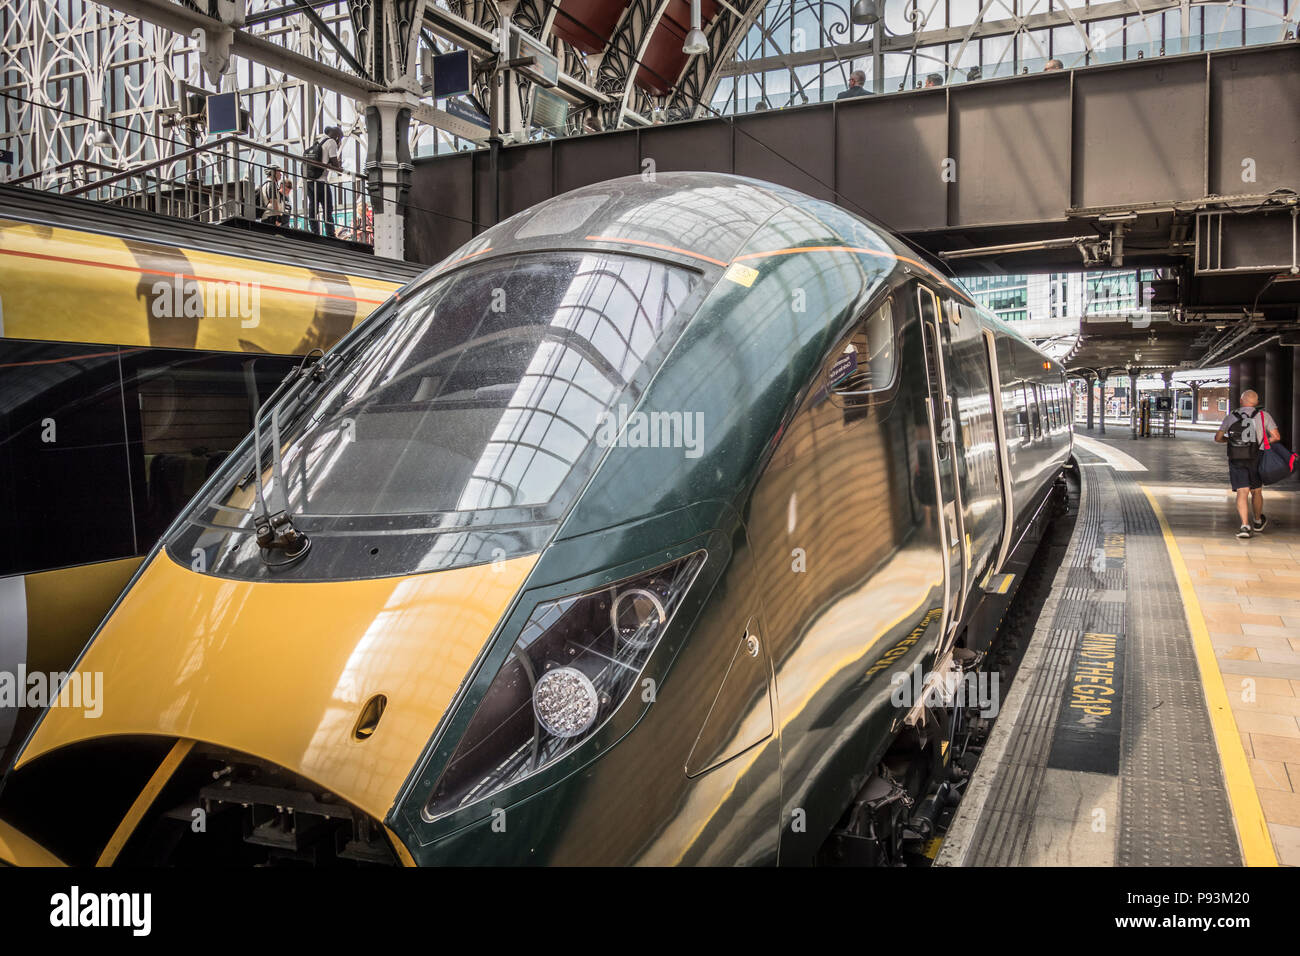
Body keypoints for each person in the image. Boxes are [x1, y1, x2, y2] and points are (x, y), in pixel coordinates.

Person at [1214, 389, 1282, 538]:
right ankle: (1257, 521)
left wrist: (1229, 440)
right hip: (1257, 457)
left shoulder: (1231, 416)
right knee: (1256, 490)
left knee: (1242, 491)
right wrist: (1262, 442)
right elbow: (1276, 436)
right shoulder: (1264, 416)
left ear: (1240, 401)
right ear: (1256, 402)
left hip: (1236, 457)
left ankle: (1244, 526)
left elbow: (1218, 438)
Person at [303, 125, 344, 237]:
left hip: (309, 181)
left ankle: (314, 231)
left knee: (313, 206)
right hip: (321, 181)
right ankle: (330, 233)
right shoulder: (331, 142)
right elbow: (335, 163)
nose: (339, 140)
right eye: (340, 138)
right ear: (336, 135)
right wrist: (340, 168)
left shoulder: (318, 142)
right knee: (327, 208)